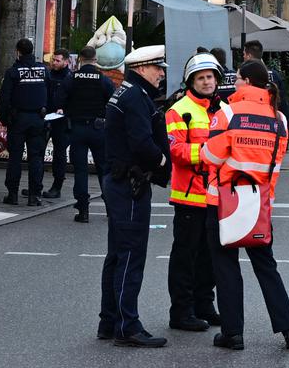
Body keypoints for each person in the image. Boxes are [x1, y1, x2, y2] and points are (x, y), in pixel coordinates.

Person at [201, 60, 289, 351]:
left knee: (226, 267)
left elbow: (210, 156)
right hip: (259, 203)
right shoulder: (279, 119)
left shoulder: (227, 114)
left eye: (237, 80)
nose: (234, 84)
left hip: (223, 202)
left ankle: (232, 334)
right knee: (266, 267)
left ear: (246, 81)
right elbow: (277, 162)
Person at [99, 45, 172, 347]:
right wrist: (163, 162)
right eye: (158, 68)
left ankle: (110, 321)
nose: (162, 73)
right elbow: (142, 143)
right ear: (142, 68)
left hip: (119, 181)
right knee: (130, 255)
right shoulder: (135, 98)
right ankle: (129, 326)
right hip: (130, 184)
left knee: (117, 254)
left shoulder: (126, 92)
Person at [164, 53, 223, 333]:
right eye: (201, 78)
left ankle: (203, 304)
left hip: (216, 197)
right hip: (189, 197)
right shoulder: (179, 110)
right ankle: (181, 311)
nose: (207, 81)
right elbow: (175, 151)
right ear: (191, 81)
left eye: (210, 76)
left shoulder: (224, 109)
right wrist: (209, 153)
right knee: (185, 258)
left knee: (210, 257)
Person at [61, 45, 115, 223]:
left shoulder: (71, 79)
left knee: (81, 171)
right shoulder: (103, 79)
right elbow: (114, 102)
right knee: (103, 169)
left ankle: (83, 210)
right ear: (96, 60)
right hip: (99, 129)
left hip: (77, 129)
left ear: (80, 60)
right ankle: (110, 207)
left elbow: (59, 100)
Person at [0, 38, 50, 206]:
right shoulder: (43, 70)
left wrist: (4, 119)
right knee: (36, 158)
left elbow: (5, 98)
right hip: (38, 119)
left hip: (18, 119)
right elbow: (50, 93)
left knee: (15, 157)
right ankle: (34, 196)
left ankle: (12, 194)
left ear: (18, 52)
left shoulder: (13, 72)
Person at [43, 49, 73, 199]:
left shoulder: (70, 77)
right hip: (46, 117)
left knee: (59, 154)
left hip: (61, 121)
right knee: (38, 151)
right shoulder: (48, 74)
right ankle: (35, 185)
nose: (54, 63)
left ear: (66, 62)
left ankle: (57, 186)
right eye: (53, 60)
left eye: (57, 60)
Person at [243, 40, 289, 123]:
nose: (243, 57)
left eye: (244, 54)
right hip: (274, 121)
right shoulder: (275, 75)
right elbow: (283, 102)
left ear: (249, 56)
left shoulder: (245, 77)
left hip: (252, 121)